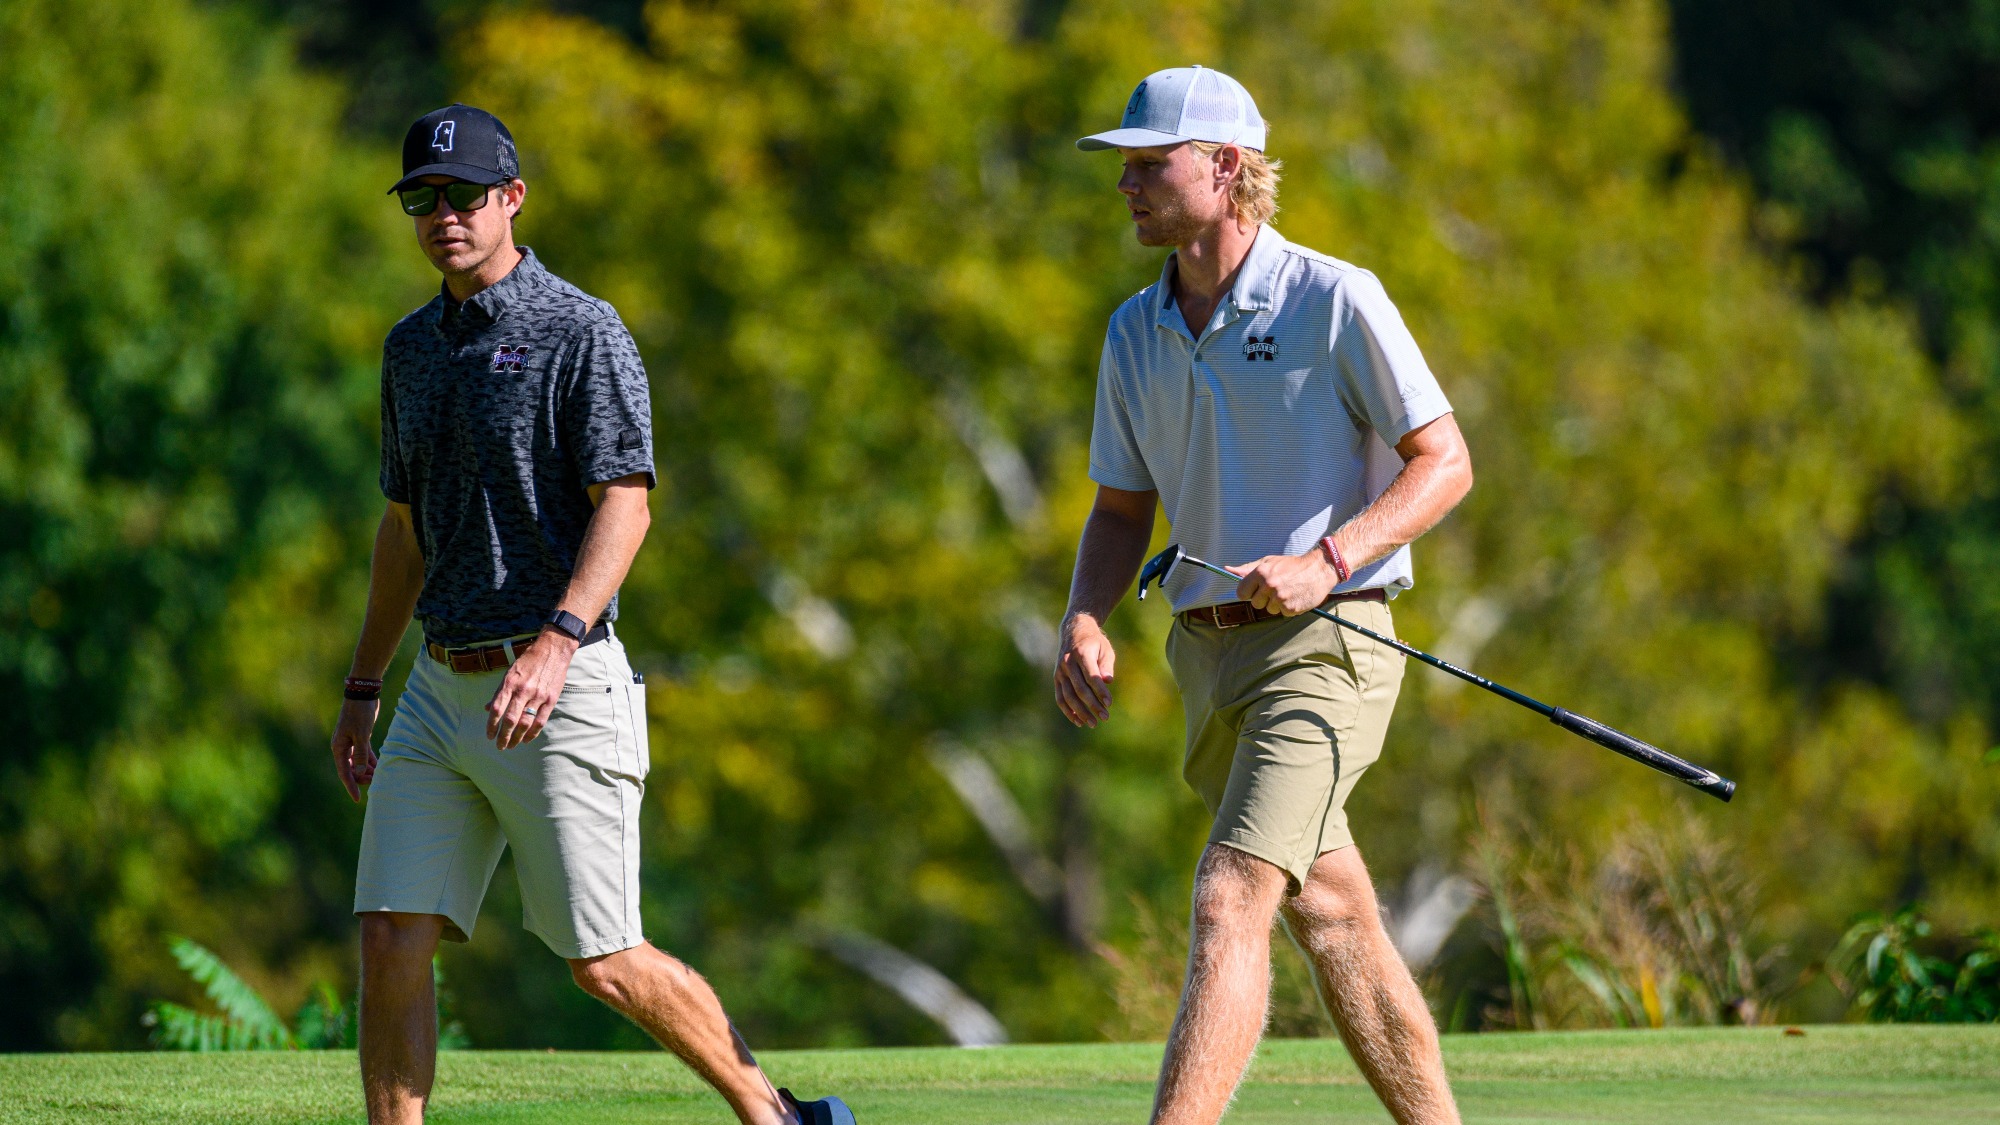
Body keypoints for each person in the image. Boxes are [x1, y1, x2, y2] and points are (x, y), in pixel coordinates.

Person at [328, 104, 854, 1125]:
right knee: (390, 935)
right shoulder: (409, 352)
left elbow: (627, 499)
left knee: (603, 962)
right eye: (422, 199)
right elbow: (403, 532)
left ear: (512, 199)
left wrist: (558, 643)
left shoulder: (581, 330)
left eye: (464, 196)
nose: (443, 215)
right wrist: (362, 684)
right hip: (439, 690)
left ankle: (775, 1114)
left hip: (561, 686)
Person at [1055, 68, 1472, 1125]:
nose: (1127, 186)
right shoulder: (1130, 332)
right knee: (1330, 914)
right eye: (1124, 167)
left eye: (1149, 164)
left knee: (1229, 894)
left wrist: (1328, 561)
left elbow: (1444, 461)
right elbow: (1118, 512)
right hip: (1205, 657)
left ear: (1224, 168)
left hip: (1329, 645)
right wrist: (1085, 618)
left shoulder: (1333, 299)